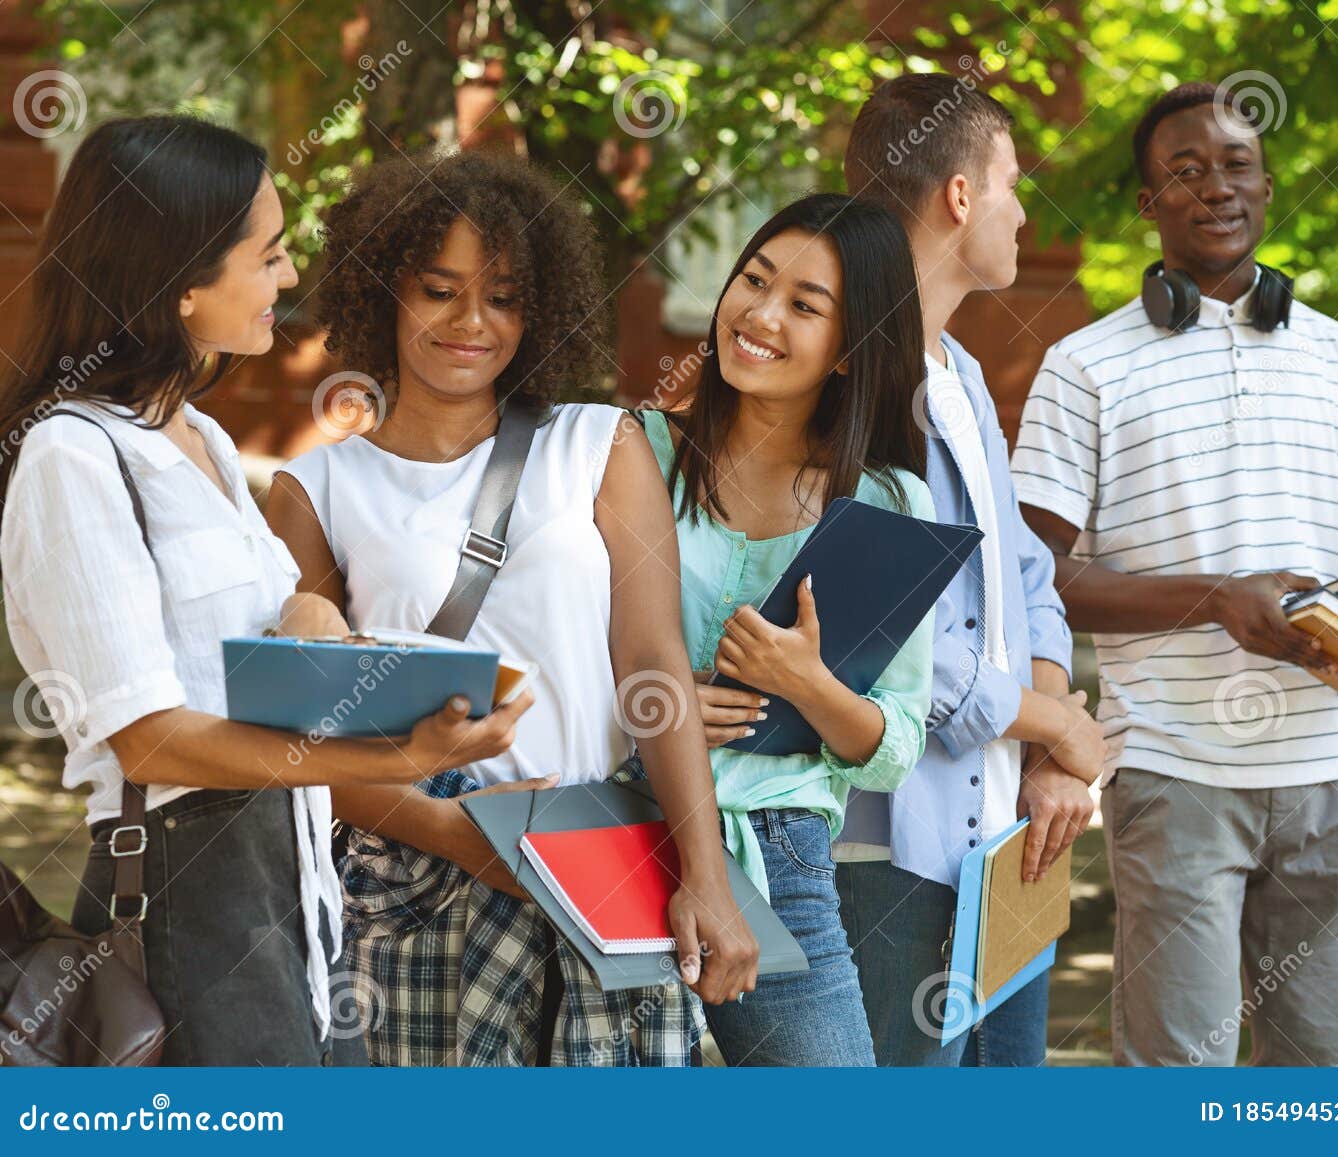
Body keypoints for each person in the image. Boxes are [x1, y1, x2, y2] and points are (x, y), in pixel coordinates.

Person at [0, 116, 529, 1066]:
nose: (289, 278)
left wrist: (316, 619)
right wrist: (392, 755)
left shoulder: (195, 434)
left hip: (299, 877)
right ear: (183, 283)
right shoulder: (73, 455)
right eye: (270, 254)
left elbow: (280, 608)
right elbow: (148, 734)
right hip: (189, 894)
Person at [266, 150, 757, 1067]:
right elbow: (298, 740)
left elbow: (651, 662)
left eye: (502, 296)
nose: (472, 323)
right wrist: (459, 833)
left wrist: (706, 872)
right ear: (383, 293)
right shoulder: (317, 488)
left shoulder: (599, 444)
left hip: (597, 858)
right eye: (439, 290)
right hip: (412, 881)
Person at [1012, 81, 1338, 1066]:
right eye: (1183, 172)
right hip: (1172, 765)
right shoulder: (1083, 364)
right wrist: (1214, 600)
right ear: (1148, 204)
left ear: (1267, 186)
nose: (1214, 187)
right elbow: (1031, 574)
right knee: (1178, 1081)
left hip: (1335, 768)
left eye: (1234, 165)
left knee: (1324, 1081)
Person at [836, 73, 1105, 1067]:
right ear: (958, 196)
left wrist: (1049, 758)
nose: (1022, 210)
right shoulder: (855, 372)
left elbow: (1028, 574)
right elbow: (894, 646)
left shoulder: (962, 373)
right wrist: (1059, 722)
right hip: (890, 848)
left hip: (1008, 836)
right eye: (1011, 182)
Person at [652, 192, 935, 1066]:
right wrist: (659, 704)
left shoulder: (887, 503)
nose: (760, 314)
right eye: (753, 279)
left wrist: (804, 680)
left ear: (851, 348)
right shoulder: (640, 454)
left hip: (784, 856)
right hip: (625, 827)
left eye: (804, 305)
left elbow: (897, 743)